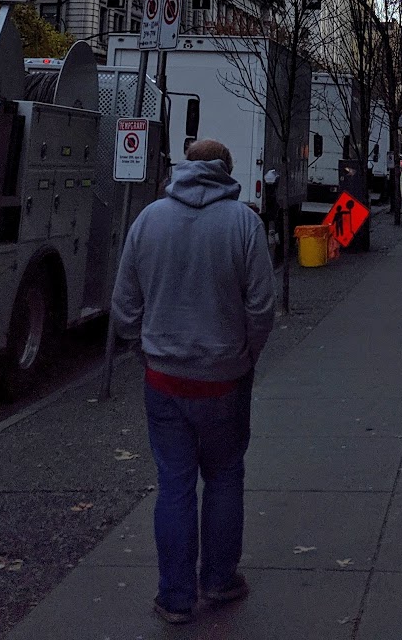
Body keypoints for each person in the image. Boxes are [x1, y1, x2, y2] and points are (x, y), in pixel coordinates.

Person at [112, 139, 276, 625]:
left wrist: (145, 350)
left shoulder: (149, 220)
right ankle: (220, 579)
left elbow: (124, 308)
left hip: (164, 381)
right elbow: (262, 308)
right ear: (225, 170)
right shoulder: (244, 223)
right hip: (225, 379)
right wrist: (245, 355)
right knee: (225, 477)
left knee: (175, 485)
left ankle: (176, 597)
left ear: (186, 167)